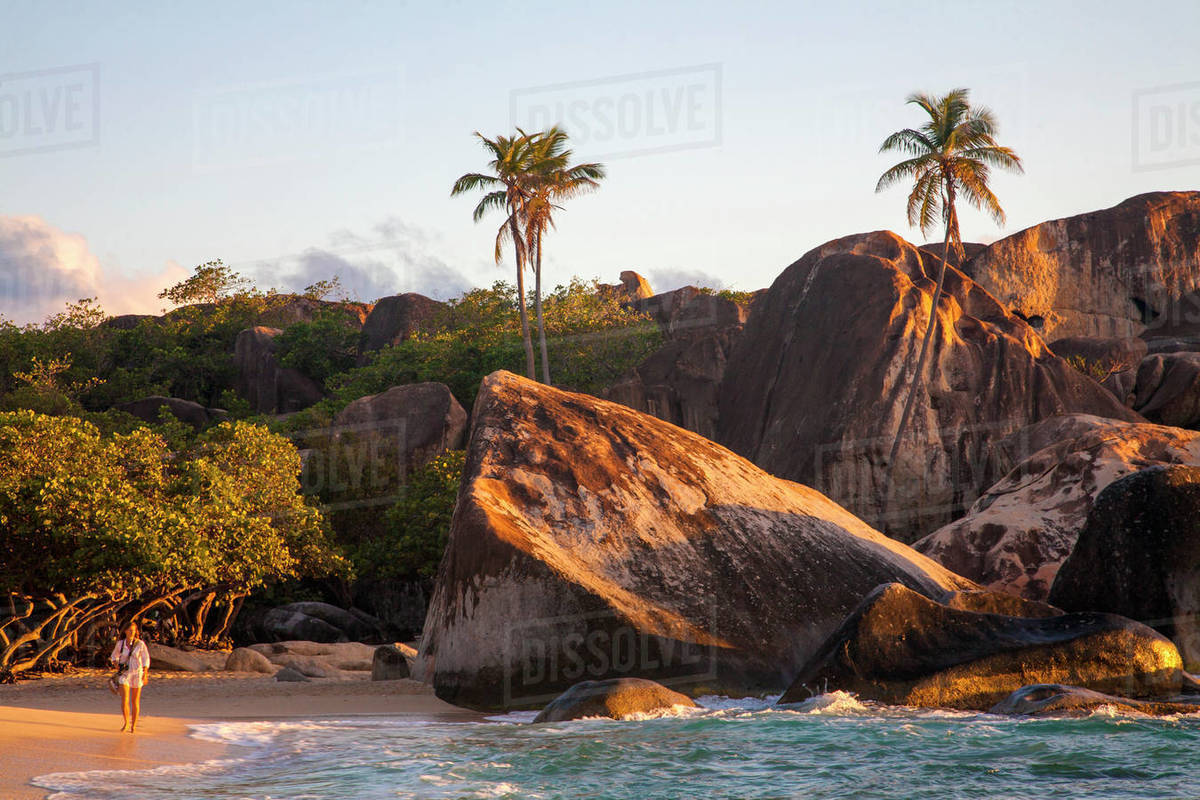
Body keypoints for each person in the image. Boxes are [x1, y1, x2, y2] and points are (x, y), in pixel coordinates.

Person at [109, 620, 151, 733]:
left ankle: (134, 725)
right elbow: (114, 656)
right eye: (130, 630)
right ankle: (126, 723)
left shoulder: (140, 644)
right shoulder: (120, 644)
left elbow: (145, 659)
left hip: (137, 673)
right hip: (125, 674)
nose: (132, 632)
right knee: (125, 700)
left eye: (134, 630)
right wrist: (117, 665)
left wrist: (145, 673)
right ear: (125, 631)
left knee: (135, 701)